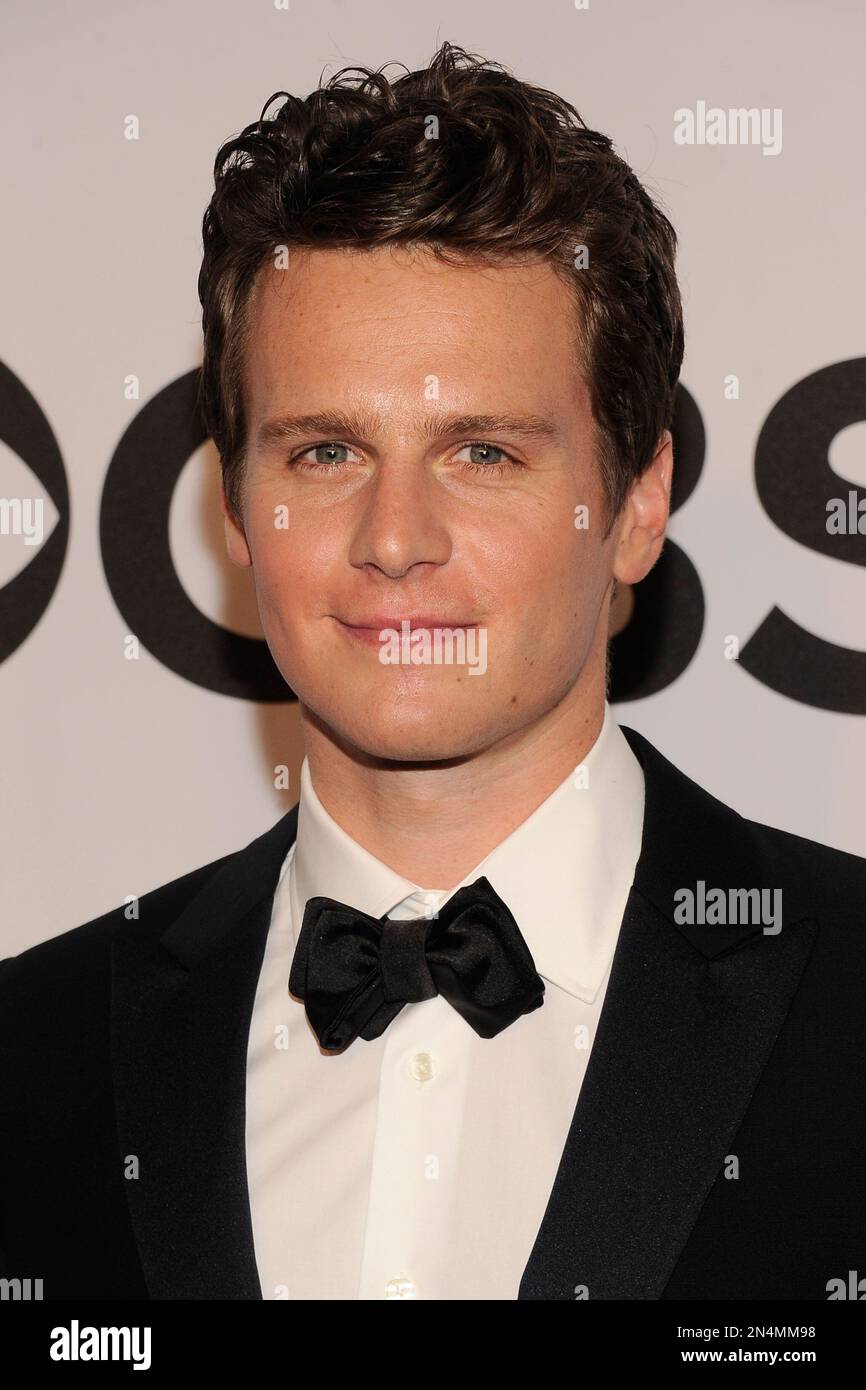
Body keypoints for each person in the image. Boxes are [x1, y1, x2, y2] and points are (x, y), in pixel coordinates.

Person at [2, 41, 864, 1302]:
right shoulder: (32, 1056)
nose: (393, 538)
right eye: (324, 452)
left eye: (482, 453)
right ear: (234, 510)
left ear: (634, 503)